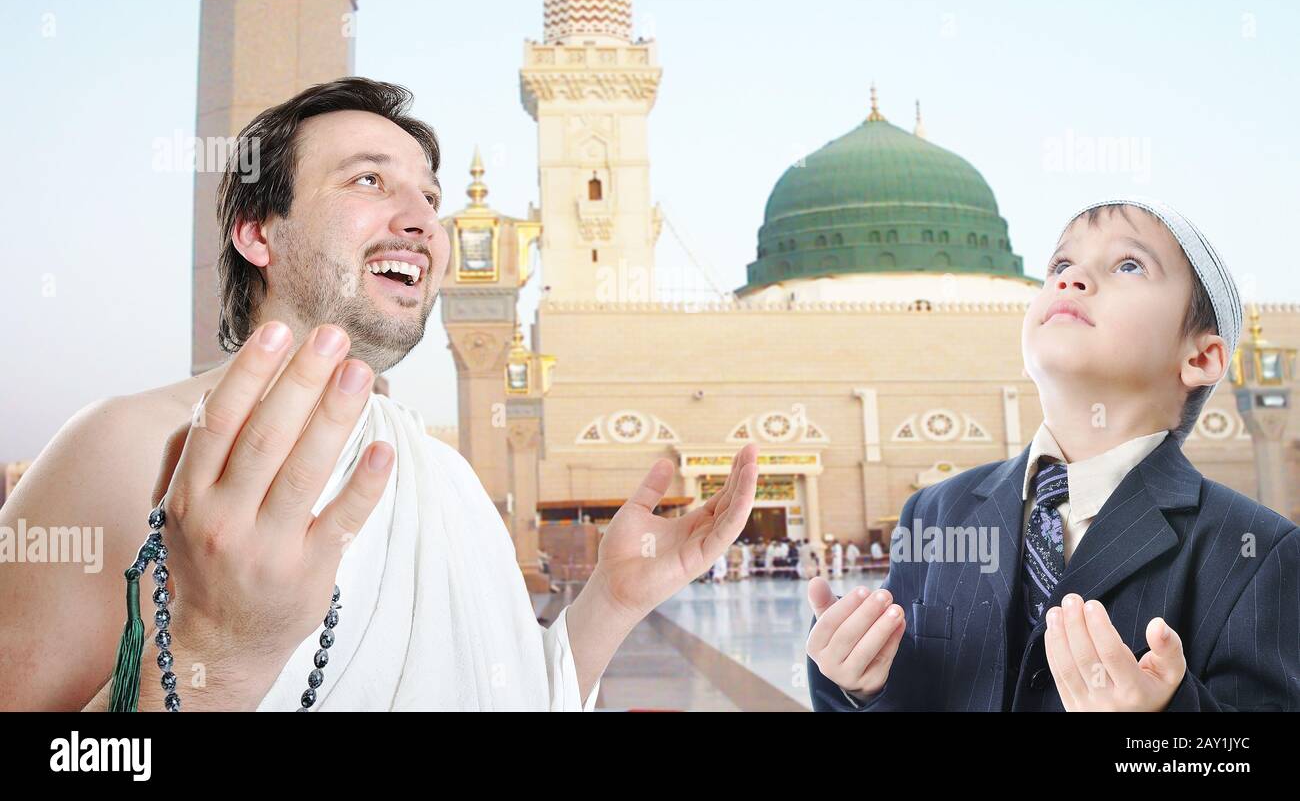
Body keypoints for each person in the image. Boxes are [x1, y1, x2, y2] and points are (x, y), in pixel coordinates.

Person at [0, 78, 758, 712]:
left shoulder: (444, 480)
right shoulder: (125, 452)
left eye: (430, 198)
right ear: (258, 233)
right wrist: (216, 655)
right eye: (368, 180)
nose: (423, 220)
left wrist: (611, 602)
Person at [807, 197, 1299, 711]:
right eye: (1061, 265)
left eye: (1129, 265)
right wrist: (857, 686)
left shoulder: (1256, 553)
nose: (1073, 278)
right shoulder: (937, 513)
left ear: (1199, 357)